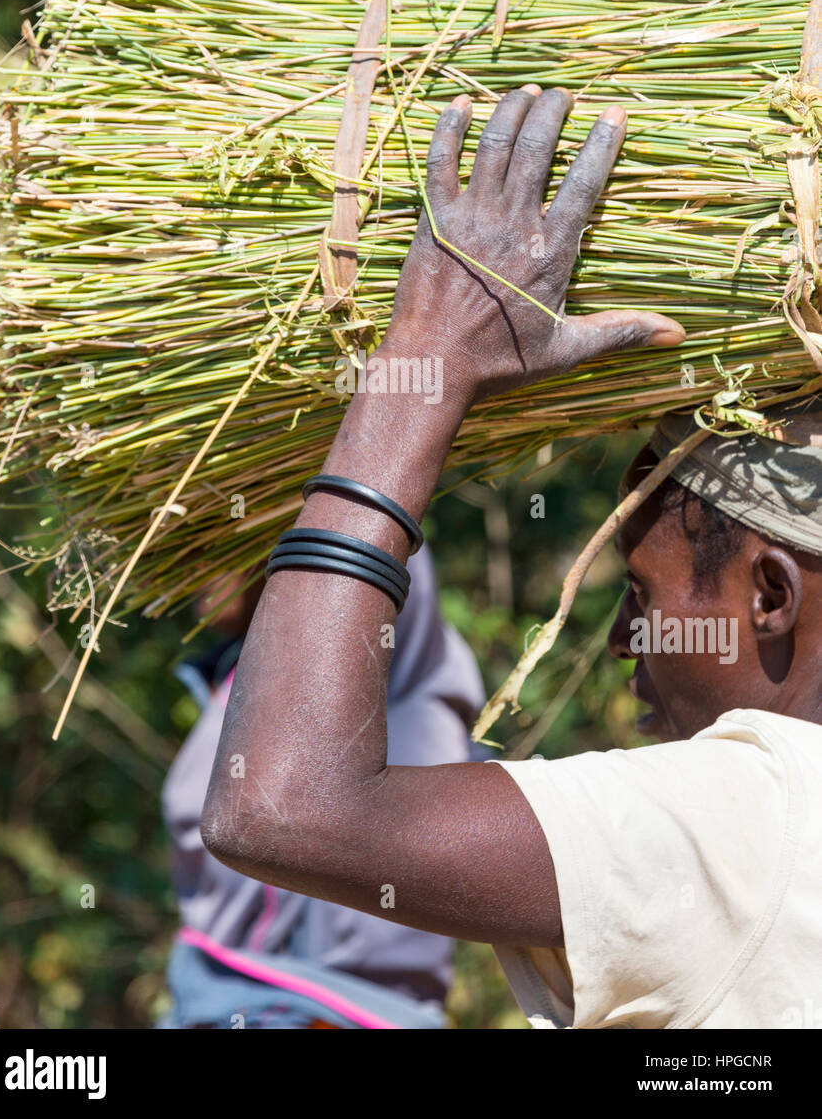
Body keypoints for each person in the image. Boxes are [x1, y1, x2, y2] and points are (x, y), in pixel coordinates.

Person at [200, 84, 822, 1029]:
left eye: (639, 594)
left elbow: (278, 809)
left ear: (769, 593)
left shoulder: (754, 824)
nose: (620, 643)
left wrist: (429, 357)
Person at [160, 545, 485, 1029]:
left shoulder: (387, 663)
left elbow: (377, 537)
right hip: (208, 1005)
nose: (188, 564)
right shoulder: (233, 676)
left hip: (333, 1011)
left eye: (211, 543)